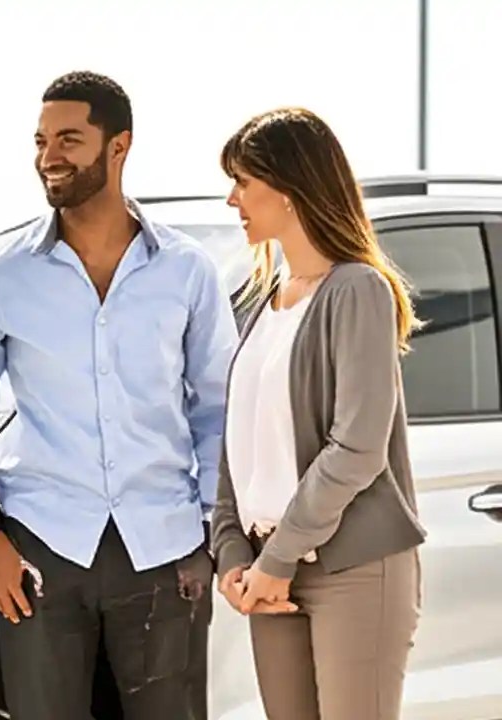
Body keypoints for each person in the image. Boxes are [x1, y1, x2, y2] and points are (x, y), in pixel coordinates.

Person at [0, 70, 238, 720]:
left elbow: (217, 408)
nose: (49, 156)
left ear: (118, 146)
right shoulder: (2, 278)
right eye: (41, 140)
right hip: (41, 550)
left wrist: (211, 534)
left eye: (69, 138)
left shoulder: (186, 271)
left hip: (165, 551)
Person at [209, 107, 427, 720]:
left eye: (244, 182)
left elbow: (358, 446)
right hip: (268, 570)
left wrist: (278, 558)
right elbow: (237, 444)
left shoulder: (356, 289)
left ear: (289, 187)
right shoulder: (263, 303)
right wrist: (232, 553)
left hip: (352, 569)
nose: (233, 199)